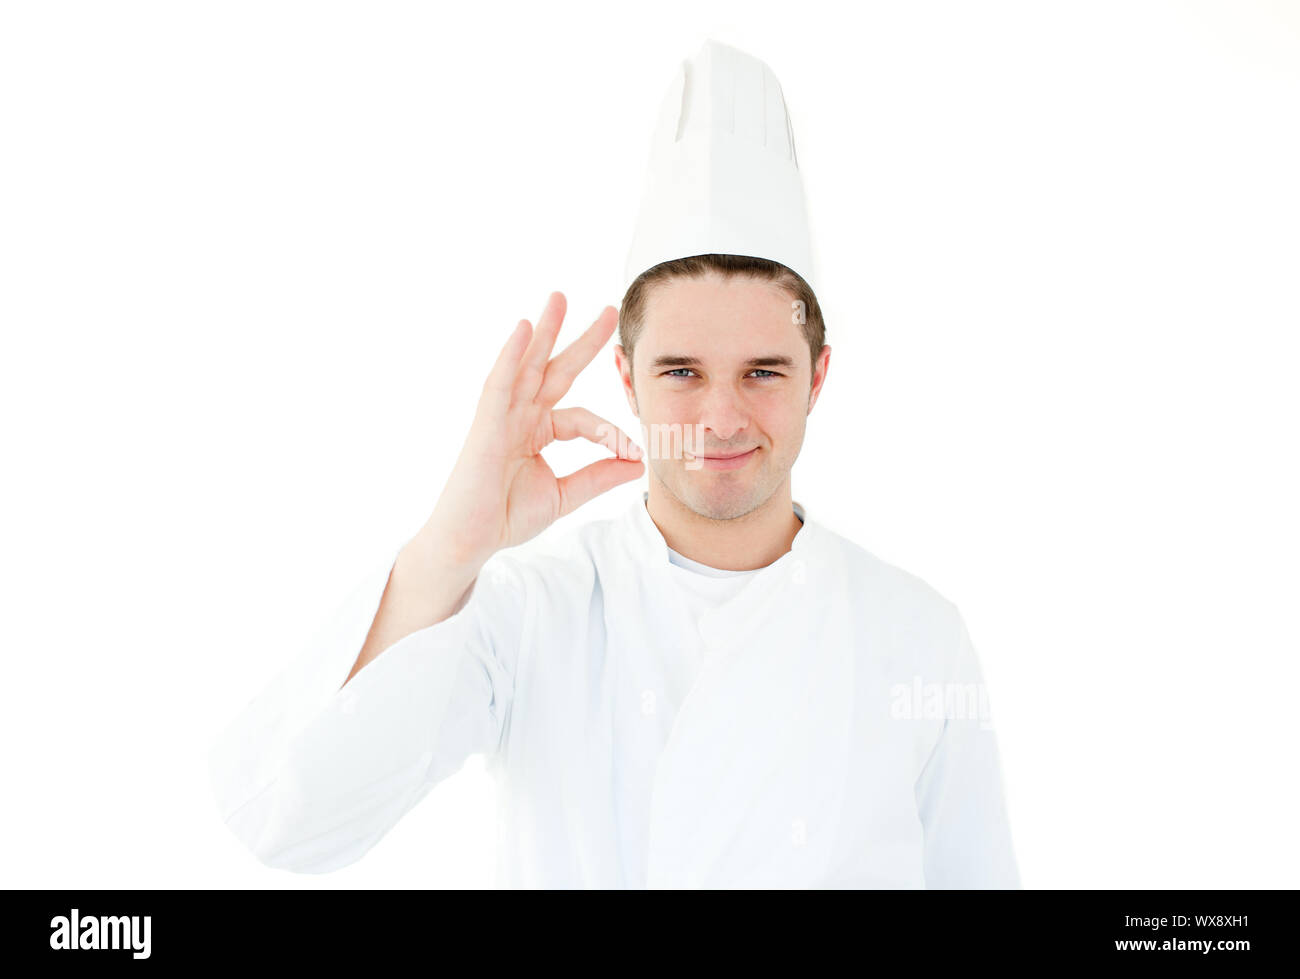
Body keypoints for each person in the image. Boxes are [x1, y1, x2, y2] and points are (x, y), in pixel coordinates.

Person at [206, 40, 1021, 889]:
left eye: (763, 371)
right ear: (626, 377)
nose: (721, 417)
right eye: (681, 372)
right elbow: (286, 817)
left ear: (818, 375)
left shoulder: (920, 638)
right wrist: (454, 541)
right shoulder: (531, 615)